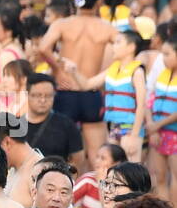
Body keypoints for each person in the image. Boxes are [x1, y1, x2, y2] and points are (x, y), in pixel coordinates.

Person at [40, 0, 117, 163]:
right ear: (99, 2)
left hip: (66, 91)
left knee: (61, 154)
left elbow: (43, 48)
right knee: (98, 155)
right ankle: (96, 189)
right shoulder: (106, 27)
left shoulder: (63, 24)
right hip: (91, 92)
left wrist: (57, 70)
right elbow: (127, 49)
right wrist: (104, 75)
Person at [63, 28, 147, 162]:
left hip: (130, 128)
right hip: (113, 126)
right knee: (113, 167)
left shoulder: (137, 71)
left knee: (131, 170)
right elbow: (87, 84)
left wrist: (134, 135)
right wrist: (74, 71)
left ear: (131, 47)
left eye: (118, 42)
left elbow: (142, 104)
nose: (114, 46)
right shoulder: (113, 69)